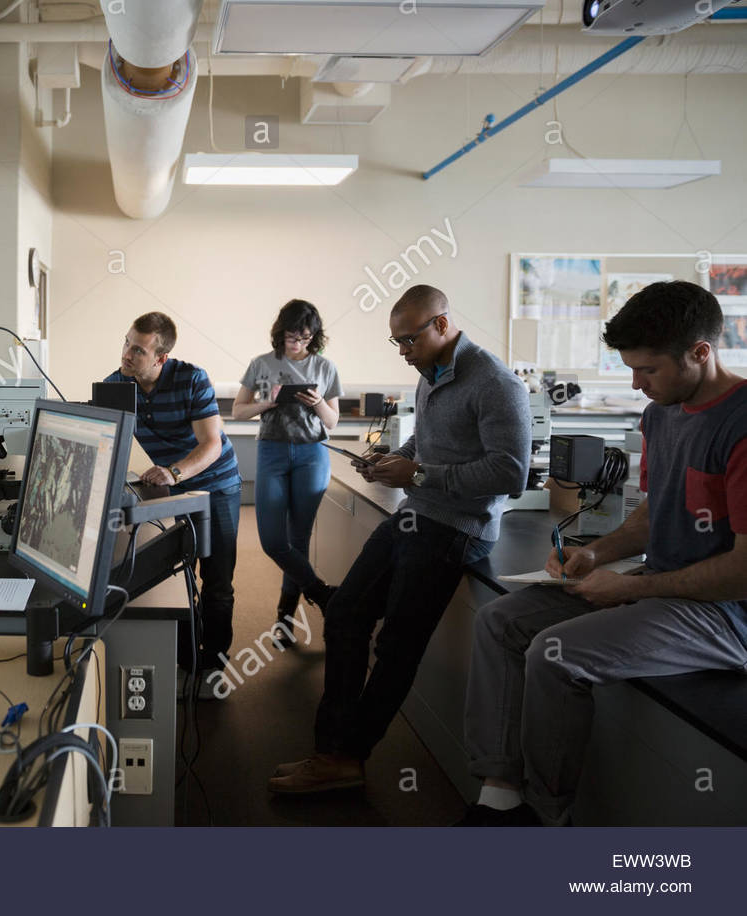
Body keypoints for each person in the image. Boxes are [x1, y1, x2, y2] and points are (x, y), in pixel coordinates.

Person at [458, 281, 747, 826]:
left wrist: (632, 588)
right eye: (630, 369)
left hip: (724, 617)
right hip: (659, 585)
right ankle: (499, 799)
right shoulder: (662, 415)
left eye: (649, 370)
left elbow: (742, 572)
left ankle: (547, 819)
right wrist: (598, 553)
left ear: (701, 352)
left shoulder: (740, 424)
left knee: (555, 653)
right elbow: (654, 511)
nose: (637, 385)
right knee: (499, 623)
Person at [269, 285, 530, 794]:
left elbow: (511, 472)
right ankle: (332, 752)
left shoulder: (496, 383)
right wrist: (392, 460)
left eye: (409, 341)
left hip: (457, 530)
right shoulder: (429, 375)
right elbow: (425, 443)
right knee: (344, 614)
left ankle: (345, 757)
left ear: (441, 324)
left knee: (396, 646)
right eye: (397, 344)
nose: (405, 352)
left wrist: (420, 474)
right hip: (417, 517)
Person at [104, 312, 242, 691]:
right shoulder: (117, 384)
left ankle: (212, 667)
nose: (127, 354)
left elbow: (211, 444)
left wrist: (174, 472)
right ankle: (186, 659)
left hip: (217, 486)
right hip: (172, 491)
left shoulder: (192, 378)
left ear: (160, 357)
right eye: (126, 342)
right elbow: (109, 442)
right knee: (175, 575)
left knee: (216, 581)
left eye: (138, 349)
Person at [233, 299, 341, 634]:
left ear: (314, 337)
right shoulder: (261, 364)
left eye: (305, 338)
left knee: (299, 540)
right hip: (272, 453)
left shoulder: (325, 368)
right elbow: (238, 411)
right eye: (292, 337)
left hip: (312, 455)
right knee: (273, 540)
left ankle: (284, 620)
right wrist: (270, 401)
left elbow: (332, 421)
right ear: (280, 334)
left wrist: (319, 402)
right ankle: (321, 594)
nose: (297, 344)